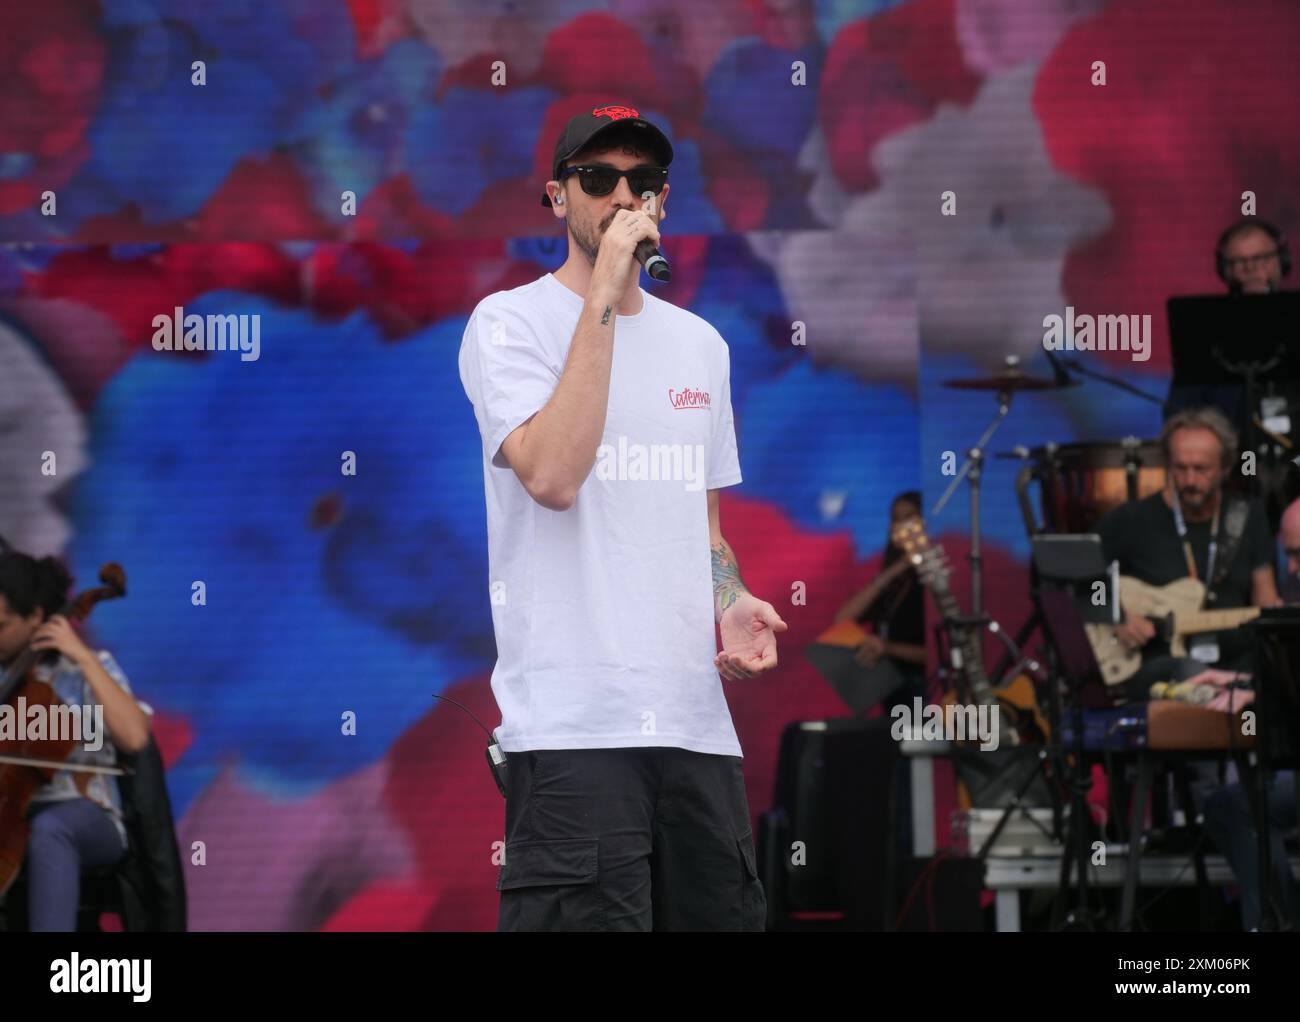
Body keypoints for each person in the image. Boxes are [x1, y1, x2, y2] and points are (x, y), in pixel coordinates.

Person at [458, 104, 785, 931]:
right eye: (598, 179)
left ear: (664, 204)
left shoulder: (702, 346)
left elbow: (702, 524)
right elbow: (555, 476)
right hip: (575, 728)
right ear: (556, 197)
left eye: (642, 182)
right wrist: (604, 287)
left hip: (695, 728)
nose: (622, 197)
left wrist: (730, 597)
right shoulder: (508, 325)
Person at [0, 551, 151, 932]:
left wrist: (84, 659)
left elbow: (134, 737)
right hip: (10, 817)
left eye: (1, 625)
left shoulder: (86, 668)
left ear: (36, 617)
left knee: (52, 828)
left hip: (86, 816)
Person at [833, 491, 926, 698]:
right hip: (894, 694)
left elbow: (940, 653)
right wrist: (896, 569)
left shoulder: (935, 582)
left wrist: (888, 649)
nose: (902, 527)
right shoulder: (895, 581)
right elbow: (842, 619)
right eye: (896, 520)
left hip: (928, 695)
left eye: (909, 517)